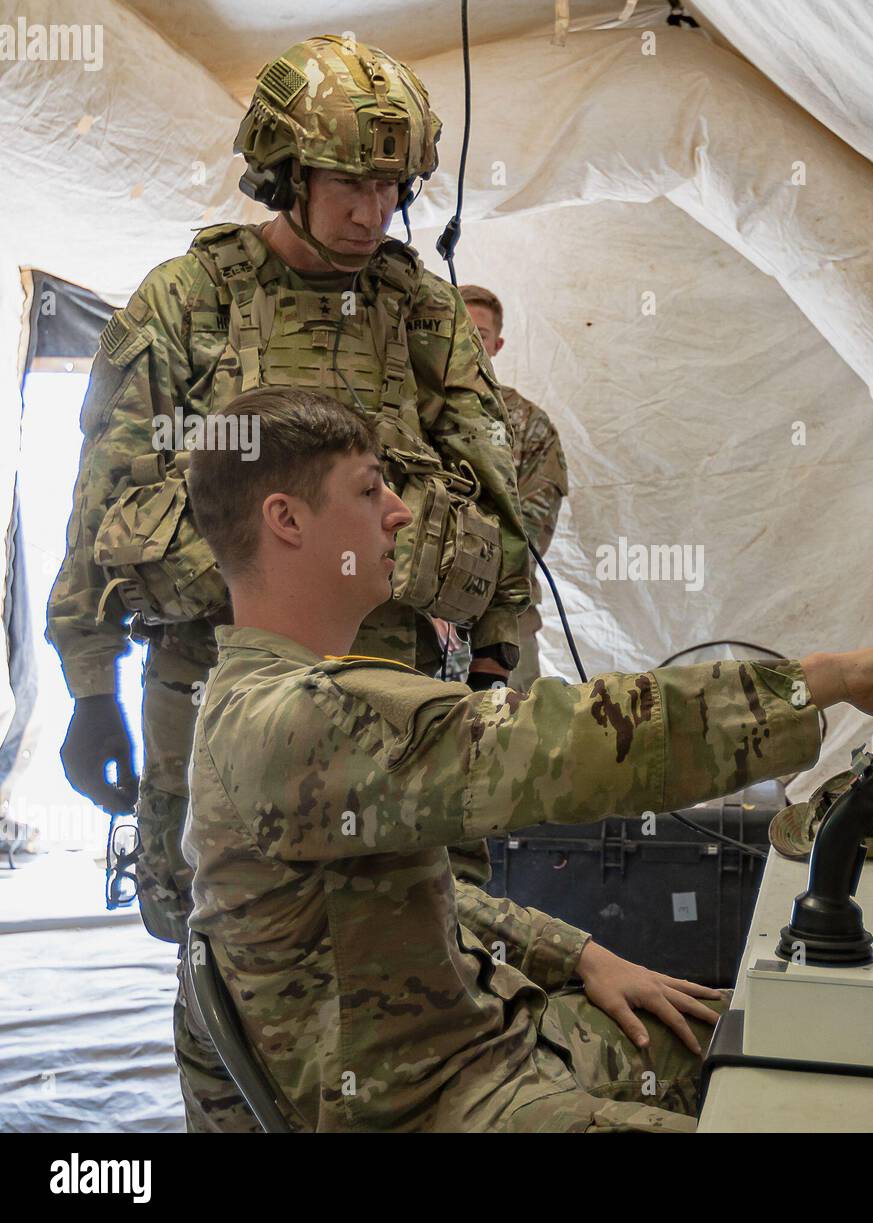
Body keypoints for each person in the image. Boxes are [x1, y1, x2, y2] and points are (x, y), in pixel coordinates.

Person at [182, 386, 873, 1133]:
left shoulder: (276, 694)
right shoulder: (290, 721)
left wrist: (581, 953)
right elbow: (562, 740)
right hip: (444, 1099)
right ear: (286, 520)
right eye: (369, 489)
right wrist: (827, 681)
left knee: (787, 1039)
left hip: (489, 1040)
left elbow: (425, 901)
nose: (399, 512)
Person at [45, 35, 530, 1131]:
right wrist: (85, 687)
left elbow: (496, 505)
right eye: (348, 179)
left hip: (391, 675)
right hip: (210, 685)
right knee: (225, 937)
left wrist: (496, 653)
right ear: (283, 169)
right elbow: (101, 498)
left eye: (391, 185)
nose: (372, 210)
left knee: (423, 923)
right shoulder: (184, 304)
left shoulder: (422, 314)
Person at [445, 285, 569, 689]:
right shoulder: (405, 413)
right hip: (413, 626)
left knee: (516, 743)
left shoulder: (529, 425)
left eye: (478, 333)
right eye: (456, 326)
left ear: (497, 344)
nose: (466, 339)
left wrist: (457, 590)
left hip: (503, 625)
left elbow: (531, 530)